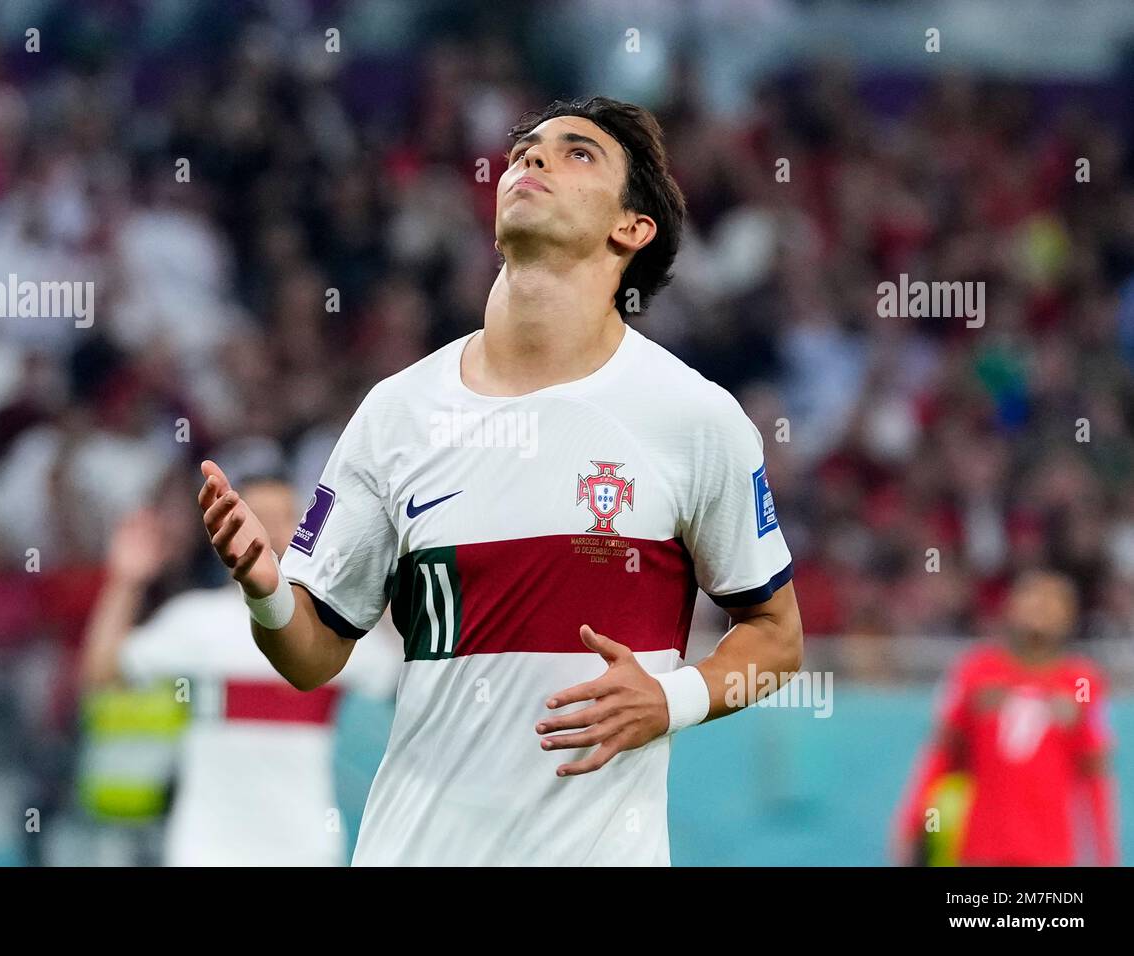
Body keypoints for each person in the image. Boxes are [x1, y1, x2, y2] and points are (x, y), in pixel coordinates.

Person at [198, 96, 803, 865]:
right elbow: (312, 655)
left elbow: (778, 642)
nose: (532, 159)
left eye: (577, 152)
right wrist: (265, 589)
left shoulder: (694, 418)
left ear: (632, 227)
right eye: (524, 150)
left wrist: (671, 698)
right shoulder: (397, 413)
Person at [82, 441, 401, 865]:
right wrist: (125, 580)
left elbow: (409, 678)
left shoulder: (337, 631)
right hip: (207, 851)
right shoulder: (197, 622)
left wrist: (380, 568)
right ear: (226, 526)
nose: (270, 534)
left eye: (284, 519)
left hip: (305, 853)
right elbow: (101, 673)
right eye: (258, 518)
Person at [894, 570, 1119, 866]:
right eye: (1032, 597)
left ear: (1070, 616)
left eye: (1053, 601)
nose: (1041, 606)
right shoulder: (976, 671)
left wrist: (1106, 854)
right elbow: (943, 755)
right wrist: (911, 823)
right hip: (981, 850)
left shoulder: (1082, 683)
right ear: (1010, 606)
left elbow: (1096, 774)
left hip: (1050, 855)